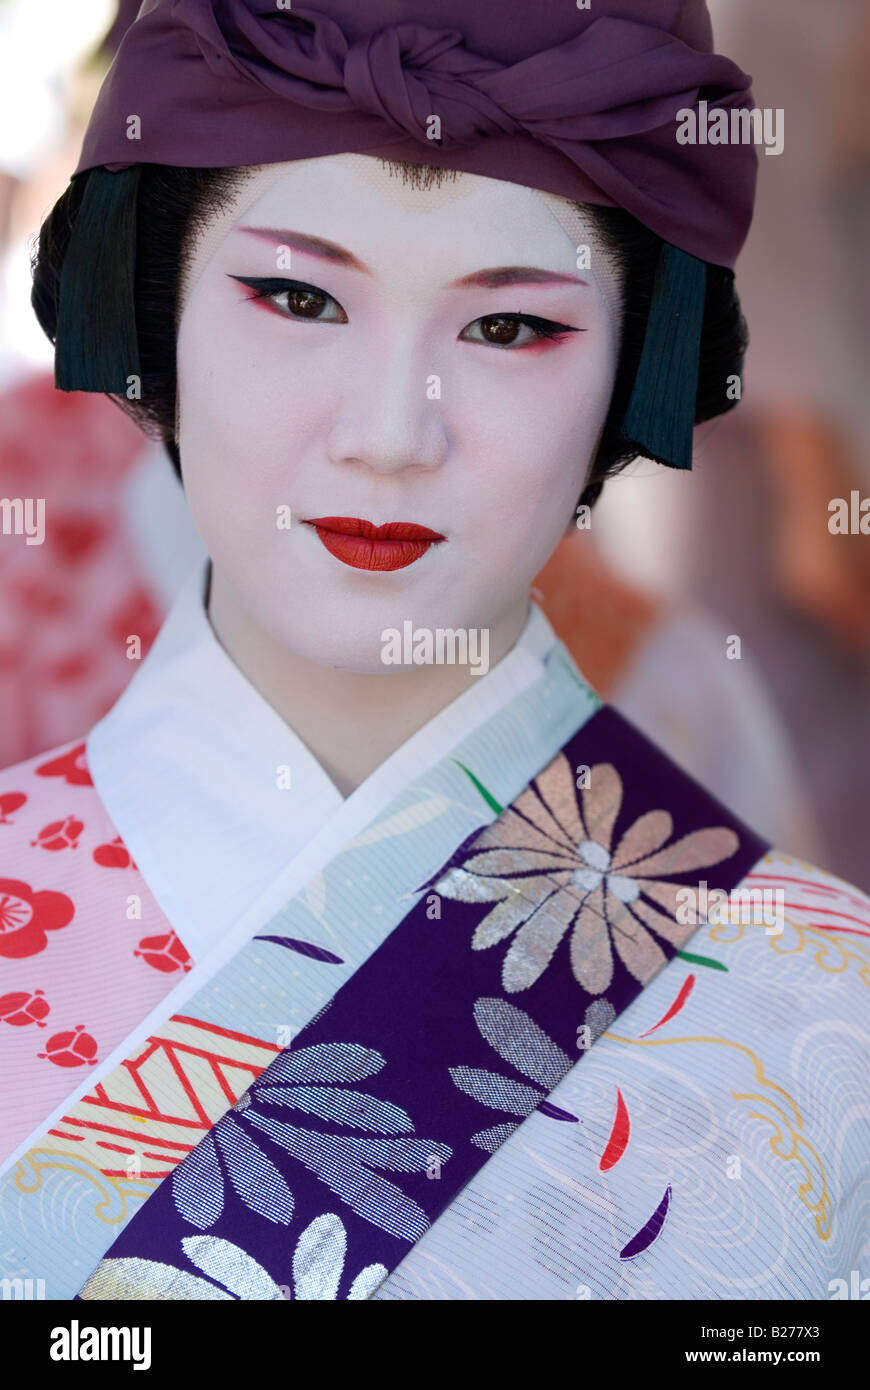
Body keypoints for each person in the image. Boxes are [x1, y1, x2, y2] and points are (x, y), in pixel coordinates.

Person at [0, 0, 867, 1302]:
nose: (392, 434)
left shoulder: (826, 1006)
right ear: (148, 308)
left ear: (635, 369)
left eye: (509, 327)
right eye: (296, 295)